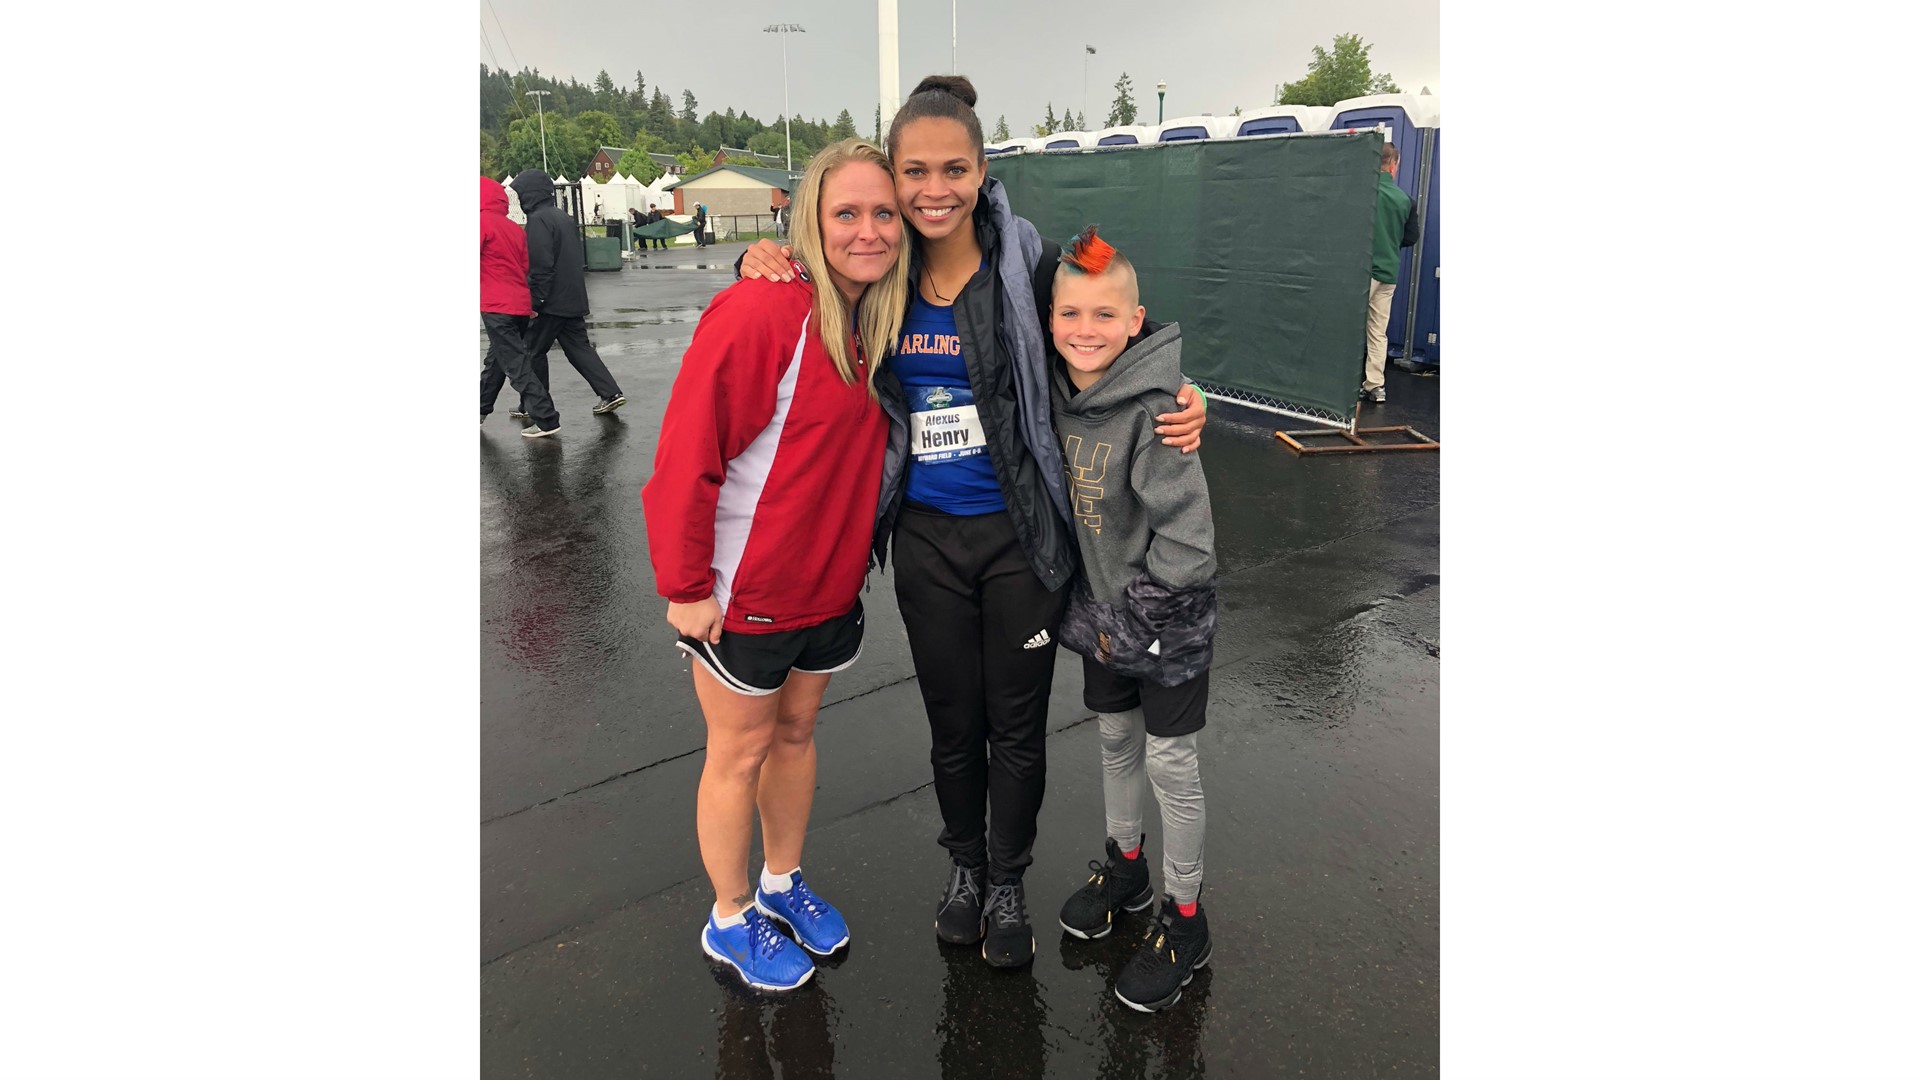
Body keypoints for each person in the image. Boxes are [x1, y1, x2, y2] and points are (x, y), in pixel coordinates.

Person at [739, 75, 1208, 970]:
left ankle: (1006, 884)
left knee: (1016, 727)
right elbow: (810, 263)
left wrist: (1182, 399)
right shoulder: (878, 270)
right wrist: (761, 256)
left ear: (982, 170)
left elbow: (1107, 326)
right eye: (913, 170)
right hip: (926, 541)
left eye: (953, 168)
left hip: (1020, 538)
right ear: (893, 172)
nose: (932, 189)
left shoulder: (1024, 265)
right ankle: (964, 870)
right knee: (952, 723)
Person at [641, 139, 914, 993]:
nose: (869, 231)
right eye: (846, 213)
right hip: (744, 595)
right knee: (739, 752)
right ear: (809, 221)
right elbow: (686, 455)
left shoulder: (875, 318)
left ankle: (780, 884)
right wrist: (685, 587)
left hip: (828, 588)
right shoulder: (763, 312)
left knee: (795, 738)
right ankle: (729, 920)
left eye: (883, 214)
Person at [1046, 226, 1216, 1013]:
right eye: (1070, 313)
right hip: (1103, 616)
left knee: (1170, 764)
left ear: (1136, 319)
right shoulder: (1055, 388)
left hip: (1162, 617)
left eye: (1105, 316)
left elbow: (1188, 540)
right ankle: (1126, 868)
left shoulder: (1160, 412)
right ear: (1049, 318)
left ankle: (1185, 917)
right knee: (1114, 740)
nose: (1086, 329)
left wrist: (1140, 618)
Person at [509, 170, 629, 417]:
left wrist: (535, 301)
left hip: (550, 301)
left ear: (528, 194)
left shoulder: (538, 220)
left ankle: (535, 406)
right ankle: (610, 392)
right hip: (572, 296)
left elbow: (541, 264)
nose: (519, 198)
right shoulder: (563, 217)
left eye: (520, 193)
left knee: (532, 351)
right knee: (579, 348)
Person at [479, 177, 561, 438]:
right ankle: (479, 409)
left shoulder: (479, 223)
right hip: (518, 304)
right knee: (497, 361)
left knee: (515, 364)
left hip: (495, 304)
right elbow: (524, 267)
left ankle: (547, 419)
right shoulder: (514, 227)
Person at [1362, 142, 1420, 405]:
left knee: (1346, 327)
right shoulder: (1406, 200)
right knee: (1377, 331)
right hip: (1388, 274)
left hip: (1361, 272)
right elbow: (1411, 238)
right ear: (1394, 165)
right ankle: (1375, 386)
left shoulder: (1365, 193)